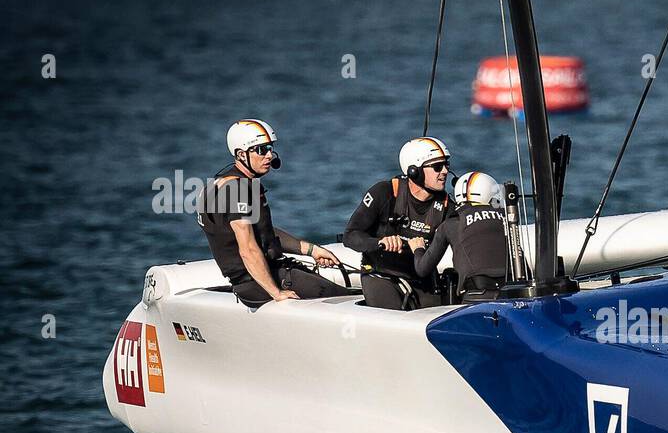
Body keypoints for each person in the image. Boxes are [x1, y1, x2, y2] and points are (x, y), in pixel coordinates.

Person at [198, 119, 345, 307]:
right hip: (258, 283)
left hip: (256, 279)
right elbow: (248, 249)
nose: (269, 155)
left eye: (270, 148)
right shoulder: (238, 190)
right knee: (347, 299)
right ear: (241, 154)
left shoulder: (215, 185)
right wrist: (277, 293)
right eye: (261, 150)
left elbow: (263, 232)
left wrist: (312, 250)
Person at [343, 137, 453, 310]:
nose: (445, 171)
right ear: (414, 171)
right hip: (380, 274)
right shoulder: (385, 192)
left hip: (422, 279)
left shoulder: (448, 207)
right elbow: (350, 236)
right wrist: (379, 243)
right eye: (437, 167)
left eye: (447, 165)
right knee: (392, 317)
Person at [413, 171, 509, 299]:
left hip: (475, 298)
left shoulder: (451, 223)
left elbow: (422, 269)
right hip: (513, 292)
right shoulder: (506, 217)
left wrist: (418, 249)